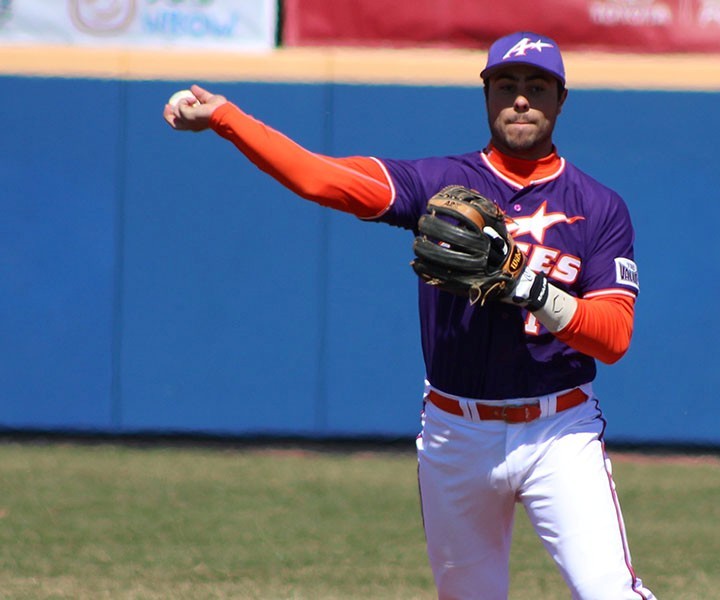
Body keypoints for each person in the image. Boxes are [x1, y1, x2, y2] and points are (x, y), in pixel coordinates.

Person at [164, 31, 655, 600]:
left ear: (561, 99)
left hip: (559, 430)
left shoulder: (599, 207)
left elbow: (614, 337)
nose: (521, 99)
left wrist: (527, 283)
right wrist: (228, 118)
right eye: (506, 85)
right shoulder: (440, 185)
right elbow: (320, 178)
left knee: (610, 592)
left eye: (537, 86)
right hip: (456, 432)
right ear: (487, 95)